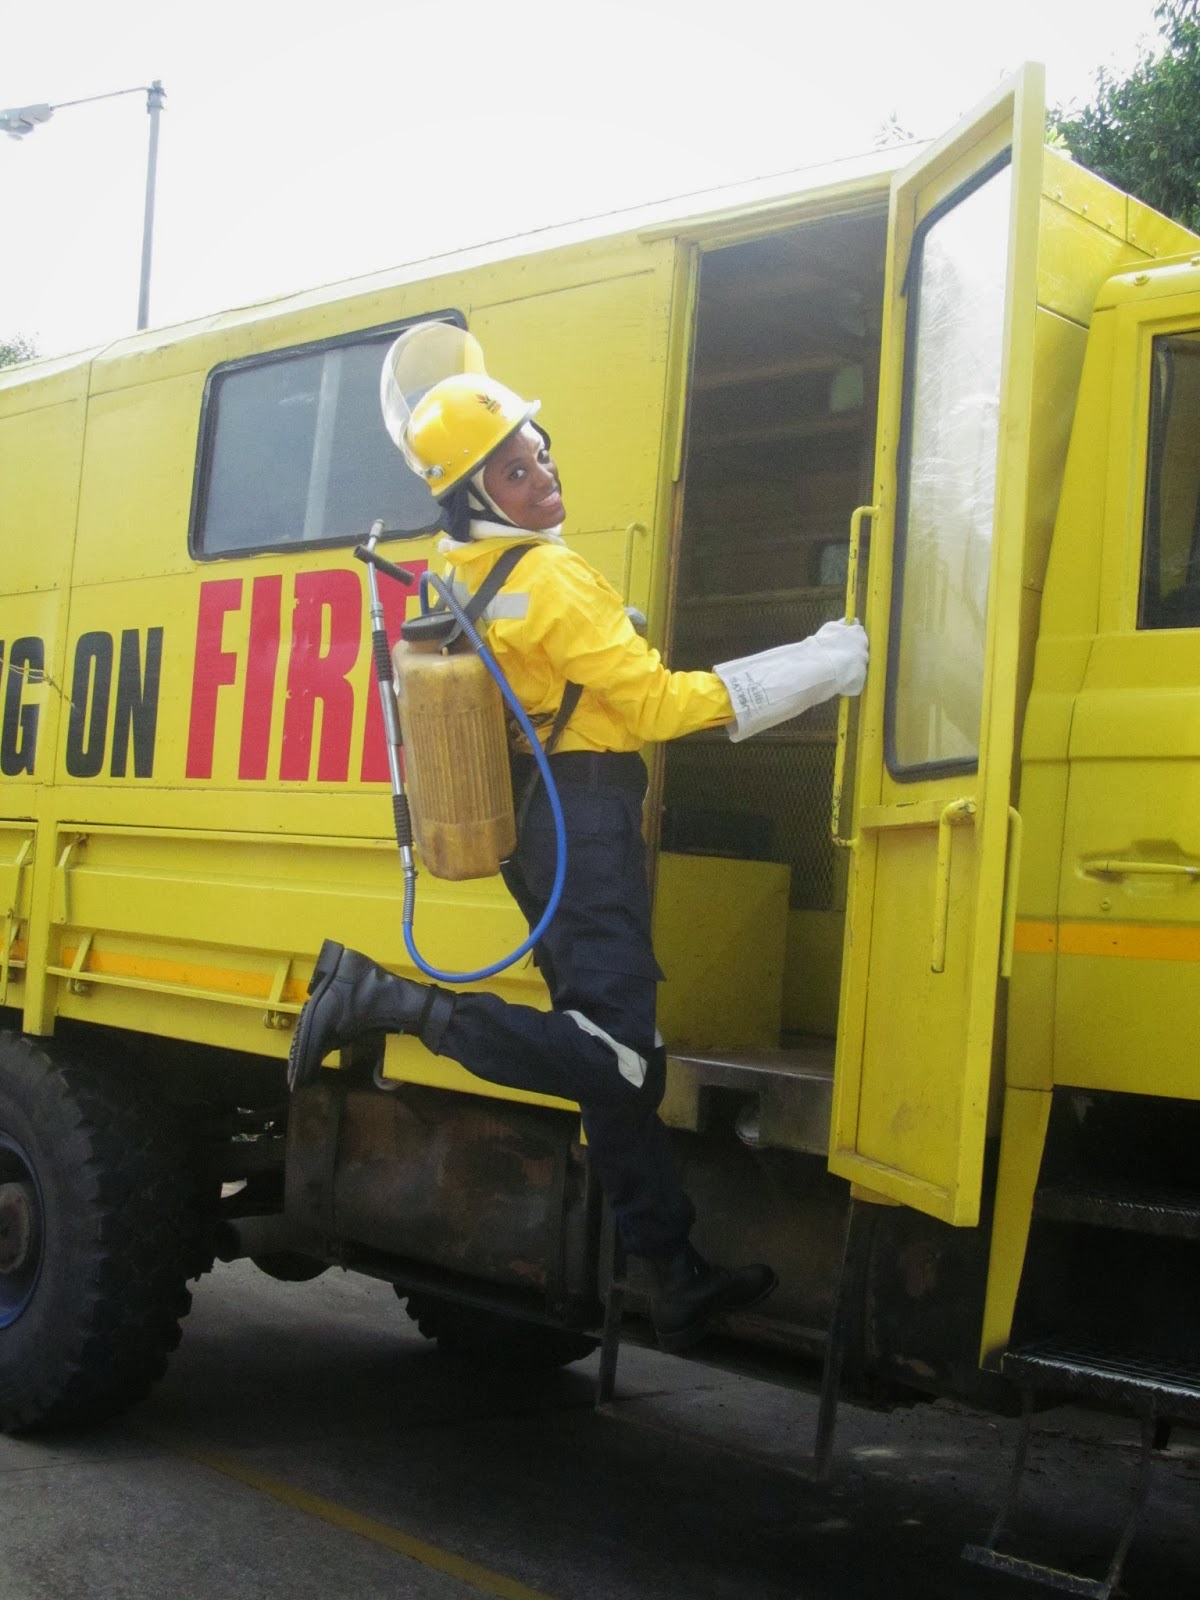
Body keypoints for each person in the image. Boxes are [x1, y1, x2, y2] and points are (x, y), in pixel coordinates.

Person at [287, 356, 869, 1354]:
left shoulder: (453, 563)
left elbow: (534, 663)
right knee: (622, 1054)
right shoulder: (553, 574)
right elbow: (654, 705)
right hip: (582, 817)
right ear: (477, 492)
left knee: (614, 1067)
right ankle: (391, 1001)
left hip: (532, 822)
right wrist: (823, 664)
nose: (542, 471)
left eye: (538, 450)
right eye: (514, 469)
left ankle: (672, 1270)